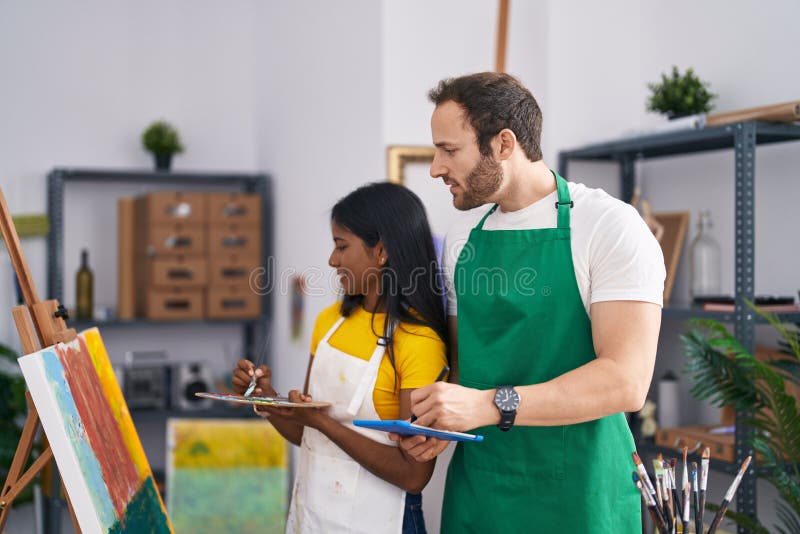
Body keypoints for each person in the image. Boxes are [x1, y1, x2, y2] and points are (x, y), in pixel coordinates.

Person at [391, 72, 665, 532]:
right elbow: (467, 369)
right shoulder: (463, 237)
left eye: (449, 150)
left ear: (503, 144)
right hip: (483, 490)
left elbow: (625, 381)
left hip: (580, 494)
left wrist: (488, 406)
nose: (436, 168)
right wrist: (437, 423)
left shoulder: (607, 226)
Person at [232, 182, 448, 534]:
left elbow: (414, 474)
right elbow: (306, 434)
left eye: (341, 246)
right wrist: (263, 396)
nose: (332, 260)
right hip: (315, 516)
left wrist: (324, 423)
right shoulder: (329, 321)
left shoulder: (419, 341)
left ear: (381, 252)